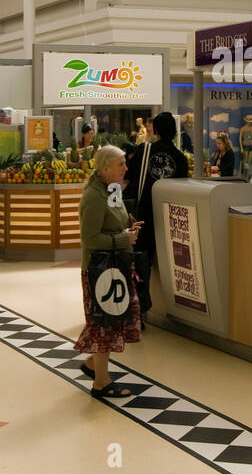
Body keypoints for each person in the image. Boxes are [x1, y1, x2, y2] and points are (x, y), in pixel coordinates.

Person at [73, 145, 142, 399]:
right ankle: (101, 383)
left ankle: (94, 364)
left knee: (111, 321)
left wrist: (129, 225)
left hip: (114, 267)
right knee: (102, 324)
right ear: (104, 168)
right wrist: (124, 239)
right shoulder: (94, 195)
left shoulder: (112, 190)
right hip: (99, 270)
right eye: (120, 164)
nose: (125, 168)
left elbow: (114, 221)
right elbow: (89, 238)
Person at [126, 111, 189, 271]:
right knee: (170, 264)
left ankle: (143, 294)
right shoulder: (180, 158)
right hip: (171, 218)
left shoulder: (144, 151)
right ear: (174, 132)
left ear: (156, 130)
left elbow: (128, 175)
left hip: (145, 215)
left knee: (142, 265)